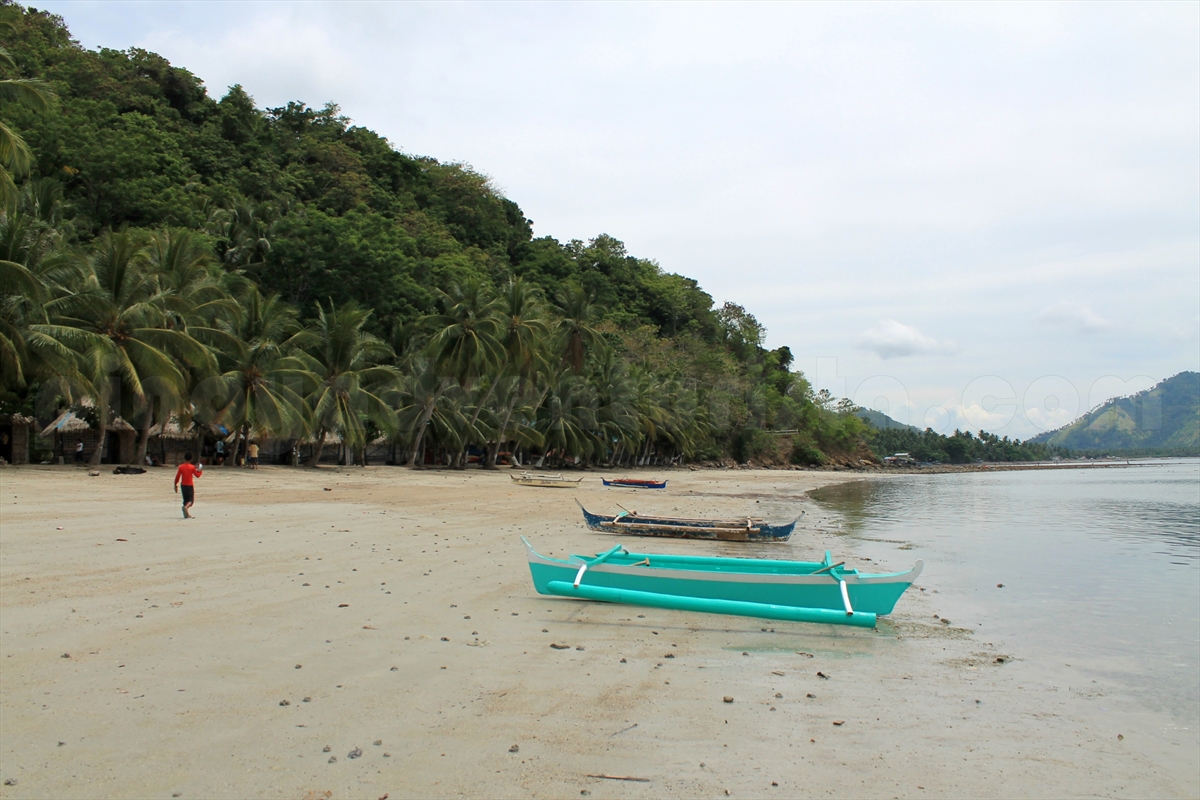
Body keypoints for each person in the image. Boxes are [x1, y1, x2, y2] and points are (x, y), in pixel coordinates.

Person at [174, 452, 203, 519]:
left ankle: (186, 514)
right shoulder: (192, 467)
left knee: (185, 500)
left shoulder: (181, 467)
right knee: (190, 501)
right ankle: (186, 507)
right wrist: (200, 470)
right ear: (191, 459)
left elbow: (177, 477)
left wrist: (175, 485)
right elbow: (197, 475)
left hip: (183, 485)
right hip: (189, 485)